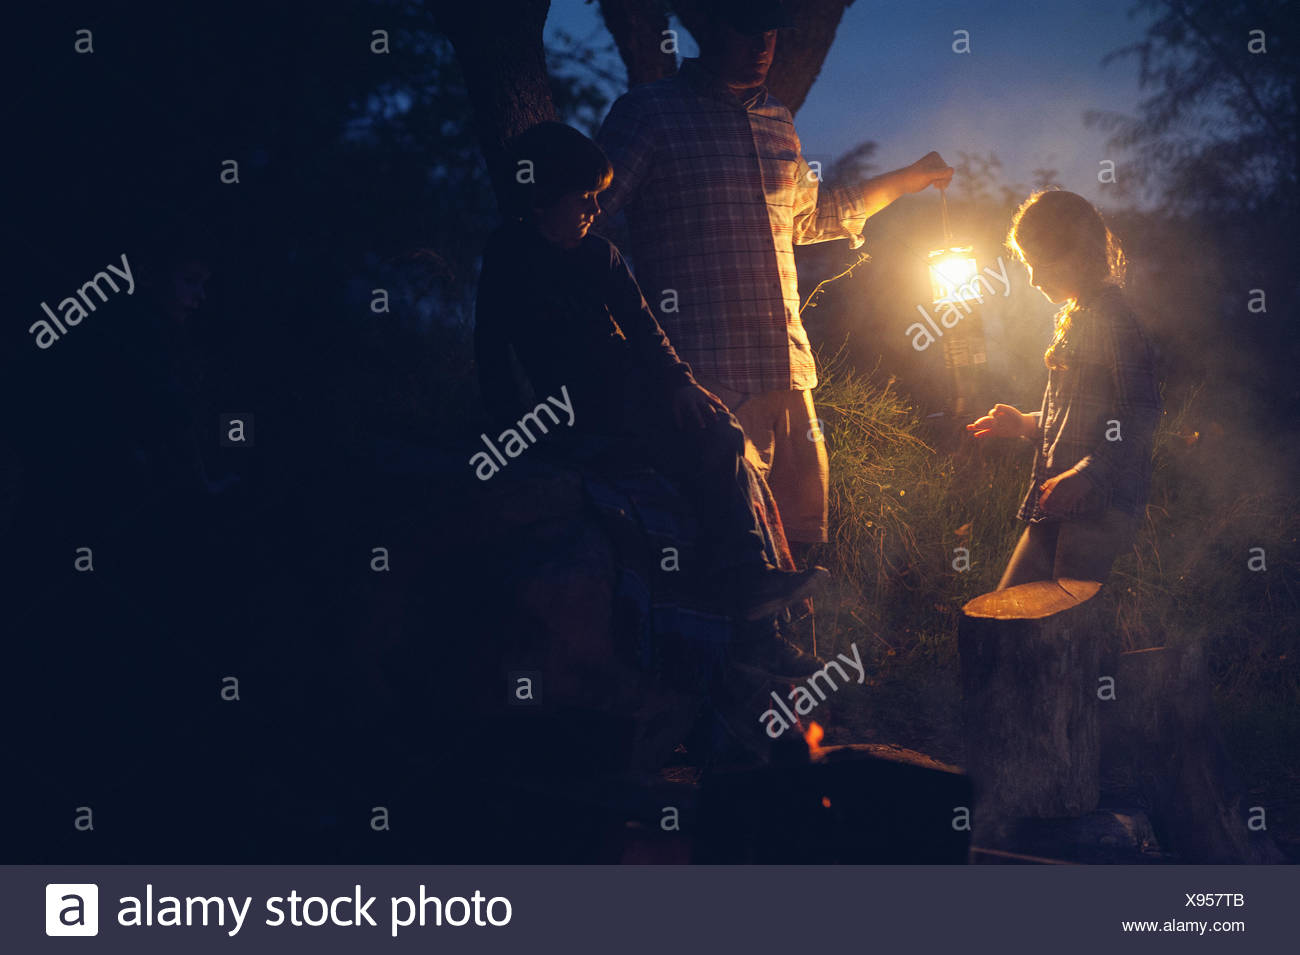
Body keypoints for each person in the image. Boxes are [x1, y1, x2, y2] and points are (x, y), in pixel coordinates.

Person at [594, 0, 953, 562]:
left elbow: (808, 217)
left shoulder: (777, 120)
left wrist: (906, 180)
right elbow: (587, 215)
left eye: (771, 32)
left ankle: (797, 621)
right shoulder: (649, 113)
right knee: (728, 549)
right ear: (708, 27)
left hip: (788, 371)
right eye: (747, 30)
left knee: (800, 548)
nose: (763, 45)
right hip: (705, 376)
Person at [474, 121, 827, 672]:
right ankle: (742, 611)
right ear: (542, 197)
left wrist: (682, 383)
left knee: (721, 434)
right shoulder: (509, 256)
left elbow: (644, 329)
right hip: (572, 411)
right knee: (693, 458)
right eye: (583, 198)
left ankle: (752, 595)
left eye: (597, 198)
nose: (595, 209)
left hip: (632, 393)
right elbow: (493, 353)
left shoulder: (600, 255)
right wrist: (516, 434)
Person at [967, 190, 1161, 588]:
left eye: (1043, 263)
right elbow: (1082, 419)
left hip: (1097, 509)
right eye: (1028, 264)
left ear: (1080, 254)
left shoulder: (1114, 319)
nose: (1034, 278)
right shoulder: (1077, 315)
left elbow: (1141, 414)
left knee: (1059, 618)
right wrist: (1025, 424)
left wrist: (1087, 475)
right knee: (1011, 609)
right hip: (1058, 501)